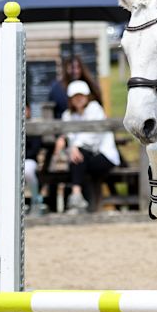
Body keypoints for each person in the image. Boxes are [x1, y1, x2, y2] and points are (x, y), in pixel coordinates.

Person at [53, 81, 120, 214]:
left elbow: (93, 138)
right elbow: (69, 138)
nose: (78, 99)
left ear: (87, 96)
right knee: (78, 158)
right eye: (75, 96)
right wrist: (64, 141)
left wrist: (73, 146)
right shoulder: (68, 115)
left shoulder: (95, 109)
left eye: (81, 96)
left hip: (104, 156)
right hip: (84, 157)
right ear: (70, 99)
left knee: (78, 158)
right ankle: (78, 198)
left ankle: (76, 198)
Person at [48, 54, 103, 119]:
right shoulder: (66, 115)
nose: (75, 71)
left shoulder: (94, 109)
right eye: (72, 68)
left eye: (78, 67)